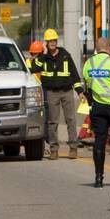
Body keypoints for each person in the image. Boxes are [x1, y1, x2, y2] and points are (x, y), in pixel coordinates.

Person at [34, 28, 84, 160]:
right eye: (50, 41)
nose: (53, 43)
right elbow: (33, 68)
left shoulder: (65, 55)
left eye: (54, 40)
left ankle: (73, 148)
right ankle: (54, 149)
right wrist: (42, 54)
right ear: (46, 43)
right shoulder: (44, 58)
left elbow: (74, 75)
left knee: (71, 120)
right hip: (51, 93)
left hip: (67, 91)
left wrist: (80, 92)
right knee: (52, 122)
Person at [82, 36, 110, 187]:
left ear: (96, 49)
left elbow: (86, 82)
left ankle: (99, 177)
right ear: (109, 48)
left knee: (99, 141)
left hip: (97, 106)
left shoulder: (89, 63)